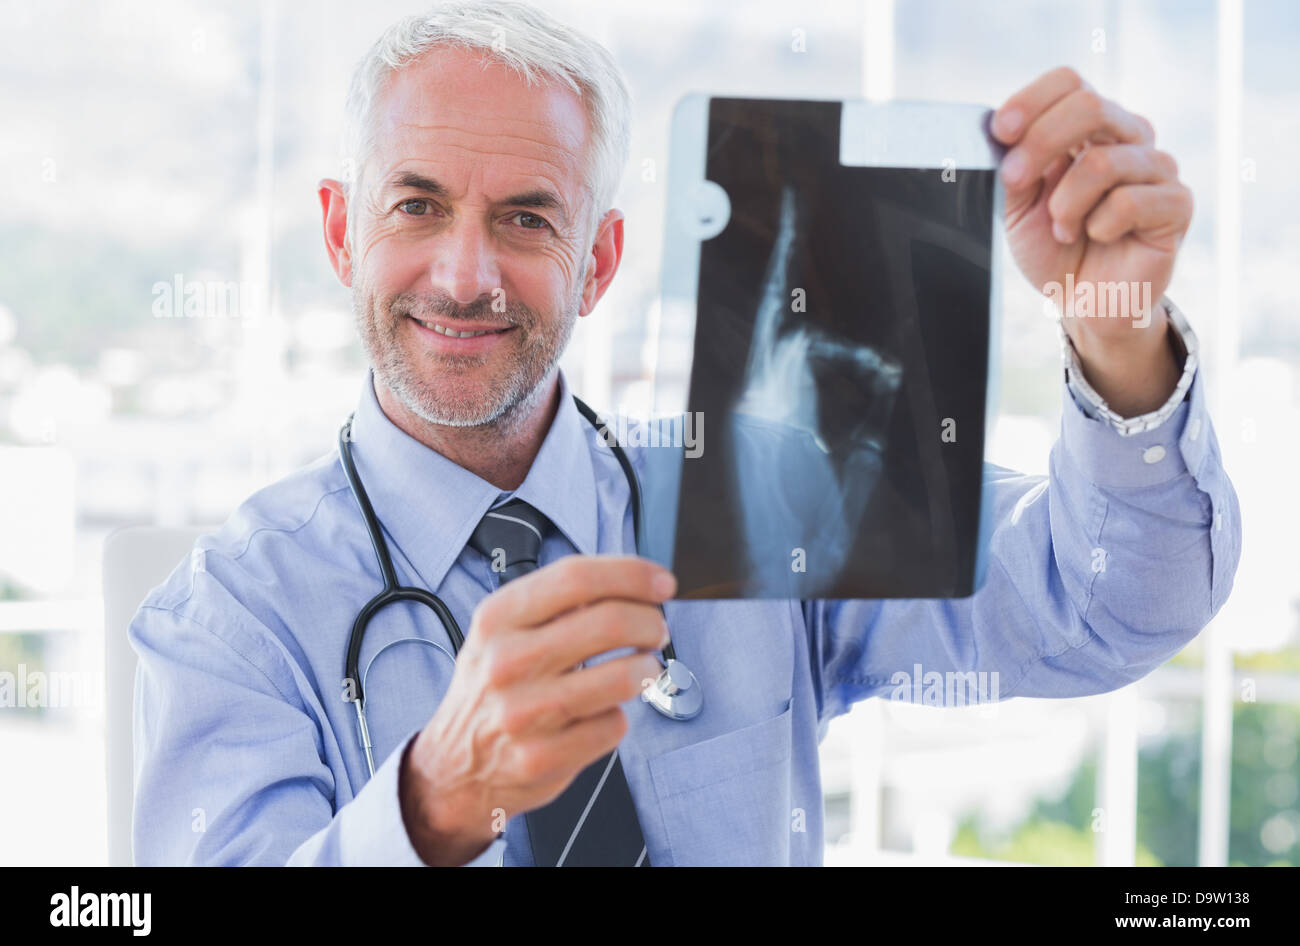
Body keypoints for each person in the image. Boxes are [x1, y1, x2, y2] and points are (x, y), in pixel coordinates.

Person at [129, 1, 1240, 866]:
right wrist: (433, 802)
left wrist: (1117, 331)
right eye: (415, 205)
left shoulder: (766, 498)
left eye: (526, 217)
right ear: (341, 231)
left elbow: (1105, 607)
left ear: (600, 261)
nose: (464, 274)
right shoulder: (229, 619)